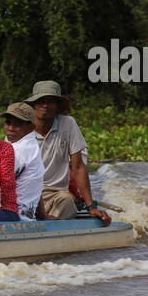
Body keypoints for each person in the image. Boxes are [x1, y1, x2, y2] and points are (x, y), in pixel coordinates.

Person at [25, 81, 110, 225]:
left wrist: (90, 206)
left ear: (57, 106)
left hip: (56, 194)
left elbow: (78, 167)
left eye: (50, 101)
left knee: (67, 201)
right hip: (27, 194)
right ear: (34, 105)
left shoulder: (68, 124)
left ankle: (47, 228)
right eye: (41, 101)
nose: (45, 105)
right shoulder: (21, 127)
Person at [1, 102, 43, 221]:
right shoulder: (23, 143)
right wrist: (43, 215)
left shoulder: (20, 149)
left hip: (14, 217)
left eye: (18, 124)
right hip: (25, 216)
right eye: (8, 123)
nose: (10, 128)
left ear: (32, 127)